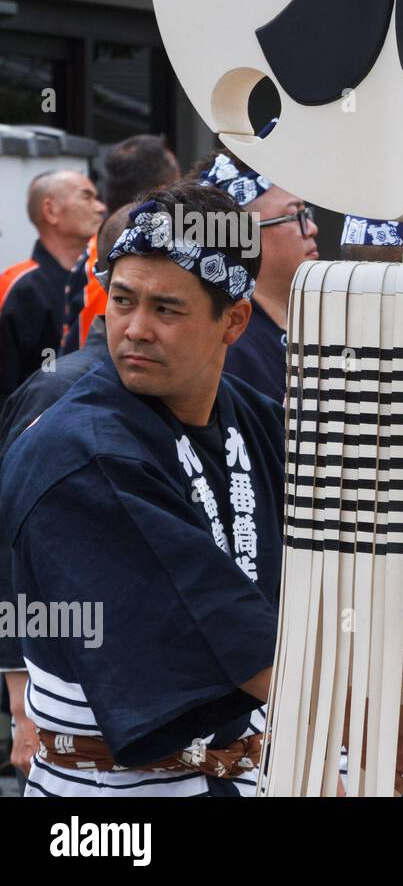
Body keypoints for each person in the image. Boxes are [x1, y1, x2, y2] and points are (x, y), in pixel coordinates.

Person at [0, 180, 284, 796]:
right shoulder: (79, 450)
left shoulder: (257, 417)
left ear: (233, 320)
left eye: (167, 309)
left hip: (249, 769)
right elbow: (224, 630)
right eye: (123, 300)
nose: (135, 329)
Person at [0, 209, 131, 792]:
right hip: (70, 697)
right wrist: (22, 708)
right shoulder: (59, 390)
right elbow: (13, 548)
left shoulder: (220, 398)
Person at [194, 150, 319, 405]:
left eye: (307, 215)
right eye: (295, 215)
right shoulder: (234, 348)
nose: (312, 229)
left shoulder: (306, 324)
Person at [60, 135, 181, 355]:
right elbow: (96, 361)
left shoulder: (98, 247)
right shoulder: (116, 265)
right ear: (164, 189)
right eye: (123, 300)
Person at [0, 171, 105, 403]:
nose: (100, 207)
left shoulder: (96, 279)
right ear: (51, 210)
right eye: (87, 197)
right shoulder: (16, 286)